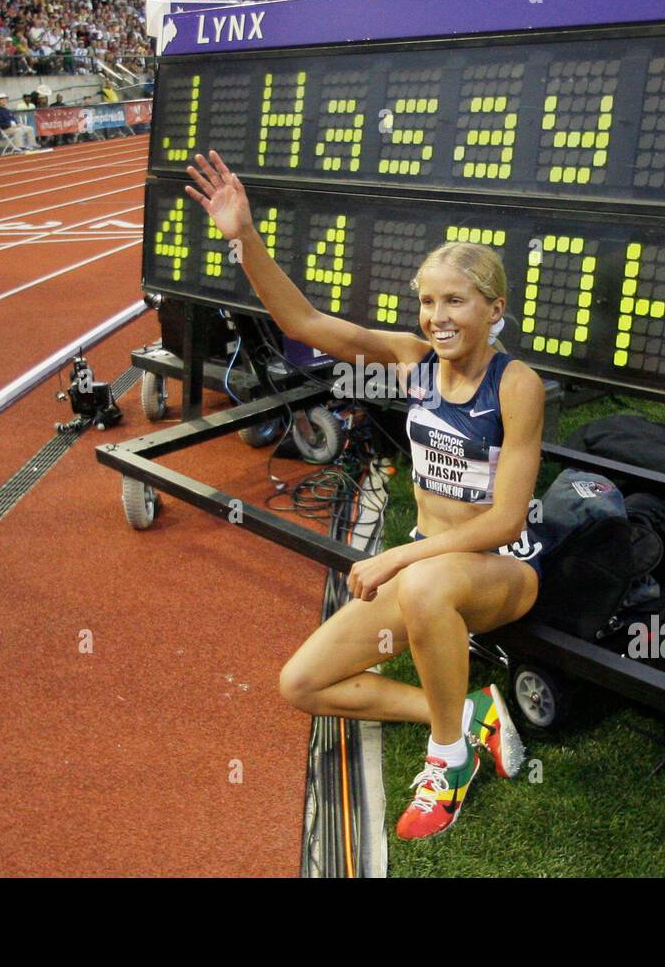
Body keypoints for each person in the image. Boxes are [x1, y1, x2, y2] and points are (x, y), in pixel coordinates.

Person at [184, 151, 546, 840]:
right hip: (426, 571)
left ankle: (449, 761)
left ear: (495, 310)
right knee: (304, 684)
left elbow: (503, 521)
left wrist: (395, 562)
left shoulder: (516, 384)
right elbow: (303, 323)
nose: (436, 317)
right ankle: (469, 715)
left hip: (504, 571)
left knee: (425, 585)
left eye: (455, 301)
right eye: (427, 301)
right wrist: (243, 235)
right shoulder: (414, 360)